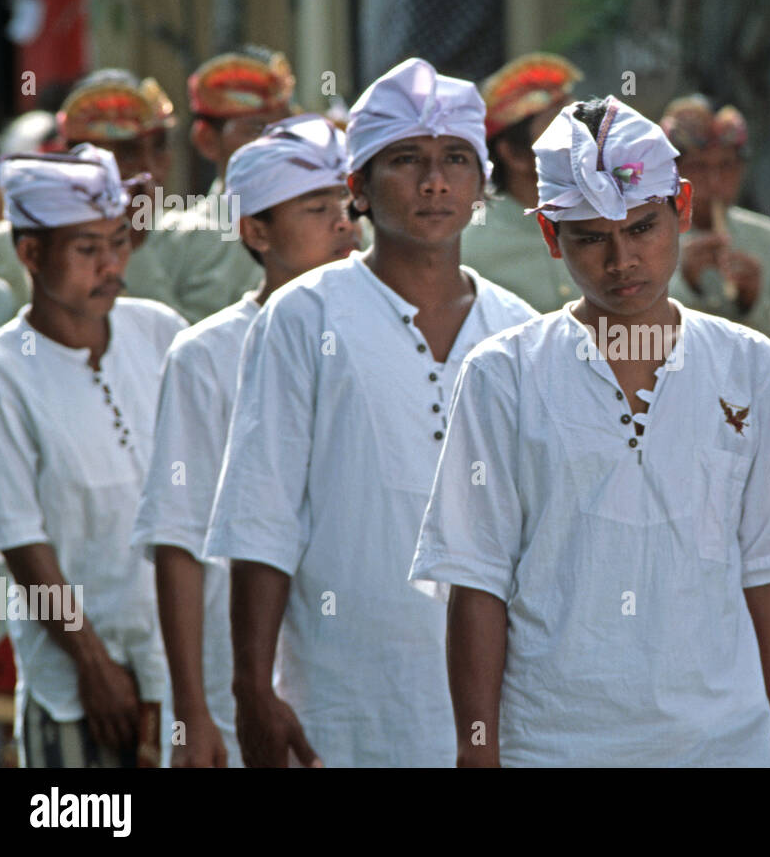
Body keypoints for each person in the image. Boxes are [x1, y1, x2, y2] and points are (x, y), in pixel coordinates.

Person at [411, 95, 770, 767]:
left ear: (680, 208)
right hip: (552, 744)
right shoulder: (502, 375)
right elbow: (476, 579)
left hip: (723, 743)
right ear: (549, 236)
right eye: (591, 237)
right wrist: (476, 748)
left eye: (642, 227)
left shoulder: (753, 367)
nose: (621, 259)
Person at [203, 58, 537, 768]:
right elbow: (263, 514)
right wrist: (250, 689)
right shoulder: (303, 316)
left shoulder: (520, 332)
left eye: (455, 160)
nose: (435, 182)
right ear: (357, 187)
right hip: (346, 705)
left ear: (481, 183)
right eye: (405, 160)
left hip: (505, 708)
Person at [131, 115, 359, 768]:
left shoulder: (391, 332)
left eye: (347, 203)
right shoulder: (206, 355)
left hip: (366, 679)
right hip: (240, 686)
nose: (344, 223)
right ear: (256, 232)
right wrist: (193, 715)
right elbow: (178, 539)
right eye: (317, 208)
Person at [0, 145, 186, 767]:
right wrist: (92, 664)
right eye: (87, 248)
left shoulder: (160, 331)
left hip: (180, 670)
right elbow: (20, 540)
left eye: (118, 243)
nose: (111, 265)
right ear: (31, 254)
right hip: (79, 690)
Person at [0, 70, 182, 312]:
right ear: (70, 159)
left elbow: (186, 344)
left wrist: (132, 246)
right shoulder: (12, 242)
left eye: (157, 148)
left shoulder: (197, 238)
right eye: (127, 154)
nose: (146, 169)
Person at [154, 45, 297, 323]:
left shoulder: (335, 227)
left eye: (286, 127)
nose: (277, 143)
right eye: (256, 130)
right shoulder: (174, 239)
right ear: (207, 141)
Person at [662, 95, 770, 338]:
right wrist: (684, 284)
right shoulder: (637, 243)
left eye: (726, 165)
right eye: (698, 167)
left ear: (742, 169)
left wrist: (751, 302)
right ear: (671, 171)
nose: (714, 182)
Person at [461, 53, 583, 311]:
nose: (583, 141)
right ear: (514, 155)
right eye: (562, 128)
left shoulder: (615, 217)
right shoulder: (470, 252)